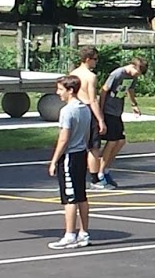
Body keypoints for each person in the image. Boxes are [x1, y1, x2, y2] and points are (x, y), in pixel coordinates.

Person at [47, 75, 94, 249]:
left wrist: (54, 160)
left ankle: (70, 235)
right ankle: (84, 233)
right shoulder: (85, 109)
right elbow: (88, 134)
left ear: (70, 90)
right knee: (81, 195)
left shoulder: (67, 111)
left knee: (70, 198)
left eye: (60, 89)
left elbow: (63, 139)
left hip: (69, 156)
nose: (58, 93)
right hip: (81, 154)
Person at [94, 56, 147, 190]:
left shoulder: (132, 77)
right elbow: (104, 90)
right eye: (137, 73)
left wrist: (134, 104)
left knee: (121, 141)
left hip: (117, 111)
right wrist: (100, 111)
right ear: (132, 66)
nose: (137, 76)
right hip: (108, 111)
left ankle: (106, 169)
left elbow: (130, 90)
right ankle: (100, 174)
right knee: (112, 141)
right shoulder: (117, 74)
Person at [70, 46, 104, 178]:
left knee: (77, 144)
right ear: (88, 59)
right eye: (95, 59)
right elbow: (93, 100)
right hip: (88, 109)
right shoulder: (91, 77)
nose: (96, 62)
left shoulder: (73, 74)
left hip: (75, 108)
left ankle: (75, 174)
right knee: (93, 146)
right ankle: (95, 179)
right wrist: (100, 120)